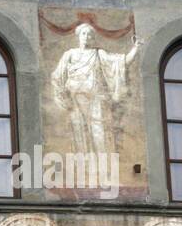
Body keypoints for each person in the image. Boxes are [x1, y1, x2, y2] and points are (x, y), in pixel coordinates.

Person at [50, 23, 142, 157]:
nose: (86, 37)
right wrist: (63, 95)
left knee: (99, 129)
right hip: (75, 98)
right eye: (83, 34)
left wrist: (136, 47)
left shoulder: (99, 54)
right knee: (79, 129)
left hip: (97, 98)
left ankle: (103, 161)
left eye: (89, 34)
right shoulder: (70, 55)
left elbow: (122, 62)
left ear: (93, 38)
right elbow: (57, 76)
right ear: (78, 36)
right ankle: (84, 163)